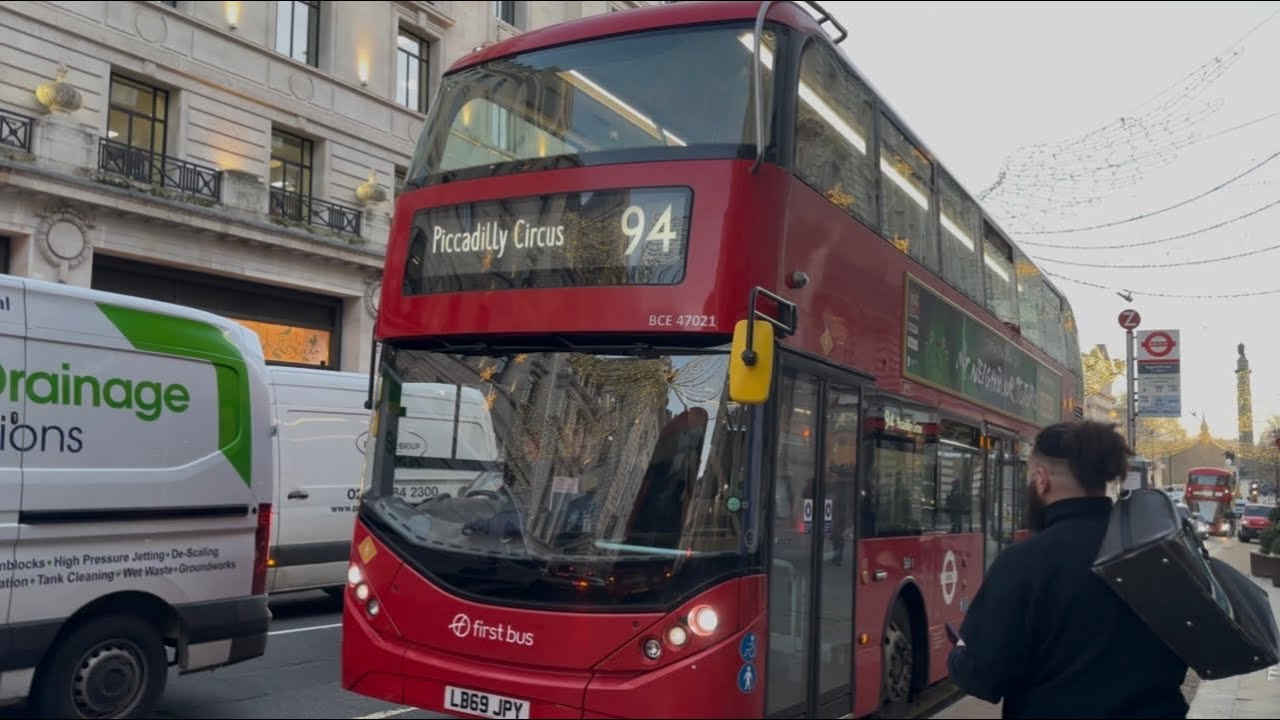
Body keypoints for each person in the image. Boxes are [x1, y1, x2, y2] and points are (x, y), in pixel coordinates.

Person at [946, 421, 1189, 719]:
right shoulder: (1159, 552)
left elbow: (983, 677)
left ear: (1042, 479)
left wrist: (961, 651)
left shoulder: (1024, 562)